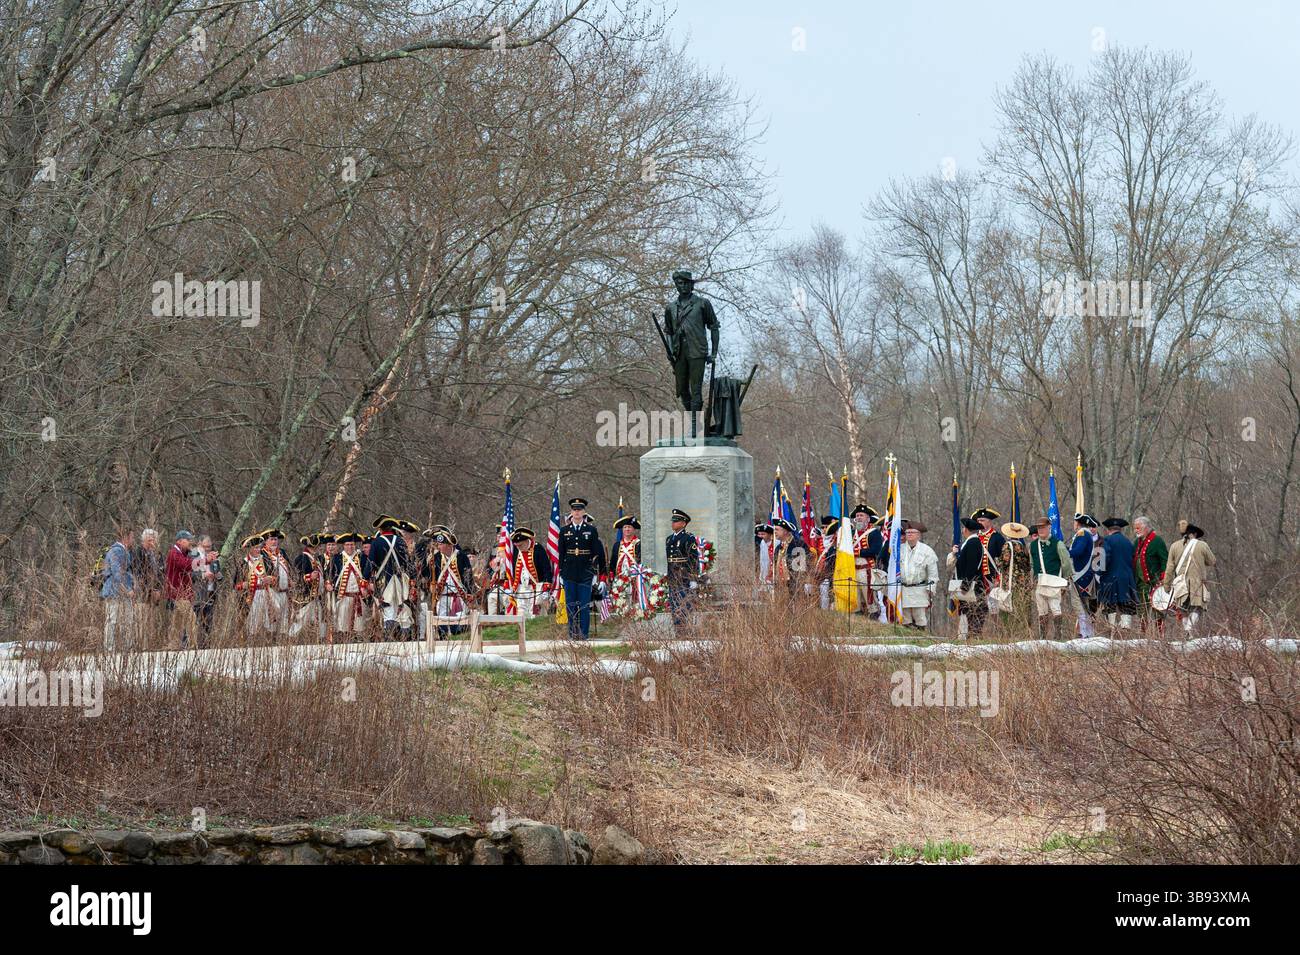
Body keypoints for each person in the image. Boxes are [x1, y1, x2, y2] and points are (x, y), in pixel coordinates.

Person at [662, 269, 719, 438]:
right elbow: (668, 331)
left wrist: (714, 352)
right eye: (680, 283)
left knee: (696, 390)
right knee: (682, 390)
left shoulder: (702, 304)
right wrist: (670, 350)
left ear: (691, 284)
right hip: (680, 353)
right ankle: (696, 422)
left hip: (697, 351)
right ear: (676, 285)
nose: (684, 286)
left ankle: (694, 425)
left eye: (687, 282)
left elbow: (714, 327)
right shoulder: (671, 308)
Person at [557, 497, 607, 640]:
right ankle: (572, 634)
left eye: (579, 510)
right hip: (569, 572)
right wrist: (561, 572)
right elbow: (561, 553)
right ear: (571, 512)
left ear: (584, 512)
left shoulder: (591, 530)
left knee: (584, 605)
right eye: (574, 510)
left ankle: (584, 634)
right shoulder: (564, 531)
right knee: (571, 604)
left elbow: (596, 552)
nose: (577, 512)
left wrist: (596, 574)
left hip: (586, 572)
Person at [1164, 520, 1215, 636]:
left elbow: (1169, 568)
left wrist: (1166, 585)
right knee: (1198, 608)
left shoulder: (1174, 546)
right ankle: (1189, 630)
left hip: (1180, 584)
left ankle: (1188, 633)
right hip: (1197, 583)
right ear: (1195, 534)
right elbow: (1212, 561)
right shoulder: (1202, 545)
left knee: (1183, 609)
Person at [370, 516, 415, 640]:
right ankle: (404, 640)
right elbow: (408, 563)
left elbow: (371, 564)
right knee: (403, 611)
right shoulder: (401, 541)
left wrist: (365, 579)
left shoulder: (377, 542)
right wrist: (413, 579)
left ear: (381, 529)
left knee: (388, 612)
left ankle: (389, 640)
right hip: (400, 582)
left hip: (384, 582)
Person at [1028, 517, 1071, 640]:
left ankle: (1058, 636)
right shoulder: (1033, 545)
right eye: (1039, 528)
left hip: (1054, 583)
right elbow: (1032, 564)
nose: (1041, 530)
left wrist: (1064, 581)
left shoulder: (1058, 544)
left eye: (1043, 527)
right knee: (1041, 611)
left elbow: (1066, 564)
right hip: (1039, 582)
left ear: (1049, 527)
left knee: (1056, 609)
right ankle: (1043, 638)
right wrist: (1033, 580)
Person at [429, 529, 474, 638]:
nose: (438, 547)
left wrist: (470, 592)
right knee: (441, 620)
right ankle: (443, 641)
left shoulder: (461, 556)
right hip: (442, 595)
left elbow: (468, 577)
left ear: (449, 545)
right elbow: (430, 575)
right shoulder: (436, 558)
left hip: (459, 595)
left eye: (441, 544)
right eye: (438, 544)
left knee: (459, 623)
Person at [1098, 518, 1138, 636]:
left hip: (1110, 580)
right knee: (1126, 608)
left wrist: (1099, 574)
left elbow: (1103, 561)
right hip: (1127, 580)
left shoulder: (1105, 541)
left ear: (1108, 530)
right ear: (1120, 529)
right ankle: (1125, 634)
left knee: (1110, 607)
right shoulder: (1128, 542)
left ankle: (1112, 634)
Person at [328, 532, 373, 637]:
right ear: (343, 546)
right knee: (342, 626)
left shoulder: (362, 558)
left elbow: (369, 574)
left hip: (359, 597)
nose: (350, 547)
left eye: (352, 545)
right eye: (347, 545)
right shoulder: (336, 558)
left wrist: (367, 586)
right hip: (343, 596)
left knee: (360, 628)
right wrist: (328, 584)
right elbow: (328, 575)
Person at [248, 529, 292, 637]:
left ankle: (282, 641)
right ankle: (270, 639)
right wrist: (270, 578)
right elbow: (261, 572)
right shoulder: (262, 553)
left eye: (276, 539)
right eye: (271, 539)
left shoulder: (282, 553)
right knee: (273, 616)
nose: (274, 542)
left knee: (284, 618)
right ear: (266, 541)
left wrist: (291, 579)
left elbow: (290, 568)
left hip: (284, 590)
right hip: (271, 590)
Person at [100, 526, 137, 650]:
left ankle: (127, 647)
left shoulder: (125, 551)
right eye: (131, 537)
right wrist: (127, 589)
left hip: (123, 591)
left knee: (128, 620)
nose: (133, 540)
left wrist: (132, 584)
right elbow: (117, 572)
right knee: (112, 620)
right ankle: (109, 648)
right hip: (114, 590)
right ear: (125, 537)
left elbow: (126, 572)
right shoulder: (116, 551)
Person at [897, 521, 939, 630]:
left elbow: (933, 574)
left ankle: (921, 640)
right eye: (907, 532)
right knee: (905, 617)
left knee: (919, 617)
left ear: (919, 535)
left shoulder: (927, 551)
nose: (909, 534)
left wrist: (931, 589)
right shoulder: (899, 549)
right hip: (903, 589)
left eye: (912, 532)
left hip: (919, 589)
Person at [949, 517, 985, 639]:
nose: (963, 530)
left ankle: (973, 639)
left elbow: (971, 566)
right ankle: (968, 638)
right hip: (969, 586)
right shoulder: (970, 542)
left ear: (967, 530)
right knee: (967, 615)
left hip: (971, 587)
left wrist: (965, 585)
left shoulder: (973, 543)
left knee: (973, 616)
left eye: (964, 528)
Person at [1132, 515, 1169, 634]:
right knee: (1142, 610)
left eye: (1138, 528)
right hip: (1140, 583)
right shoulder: (1136, 542)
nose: (1136, 531)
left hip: (1154, 582)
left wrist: (1163, 578)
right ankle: (1143, 634)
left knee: (1157, 610)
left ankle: (1160, 635)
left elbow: (1165, 560)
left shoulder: (1157, 541)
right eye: (1135, 528)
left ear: (1146, 527)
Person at [665, 509, 701, 627]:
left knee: (684, 604)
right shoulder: (669, 539)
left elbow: (693, 559)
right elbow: (669, 561)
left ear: (683, 524)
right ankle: (678, 629)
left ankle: (685, 629)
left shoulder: (688, 538)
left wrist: (693, 578)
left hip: (684, 577)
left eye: (676, 521)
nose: (673, 523)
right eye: (673, 521)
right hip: (673, 578)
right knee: (674, 604)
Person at [163, 529, 198, 649]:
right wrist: (204, 560)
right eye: (188, 540)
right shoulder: (174, 553)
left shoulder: (181, 553)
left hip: (180, 593)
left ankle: (173, 645)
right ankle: (193, 645)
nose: (190, 542)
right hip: (178, 593)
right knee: (191, 617)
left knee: (177, 621)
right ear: (179, 541)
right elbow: (186, 565)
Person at [970, 508, 1006, 619]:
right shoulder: (974, 538)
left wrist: (999, 578)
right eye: (979, 520)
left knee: (994, 607)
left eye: (983, 520)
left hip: (992, 579)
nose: (980, 523)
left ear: (990, 521)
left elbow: (1004, 560)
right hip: (977, 579)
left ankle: (998, 633)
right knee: (977, 607)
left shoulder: (997, 538)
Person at [1068, 514, 1100, 637]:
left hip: (1079, 575)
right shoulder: (1086, 534)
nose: (1074, 524)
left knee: (1078, 604)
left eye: (1075, 522)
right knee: (1084, 604)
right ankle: (1088, 632)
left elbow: (1078, 551)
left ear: (1078, 523)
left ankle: (1084, 633)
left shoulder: (1082, 534)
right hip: (1084, 575)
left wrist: (1064, 551)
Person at [289, 534, 325, 641]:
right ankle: (290, 642)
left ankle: (314, 642)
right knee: (300, 621)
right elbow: (297, 577)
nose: (315, 549)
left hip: (316, 597)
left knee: (316, 622)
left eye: (316, 547)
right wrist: (309, 577)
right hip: (305, 597)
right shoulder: (301, 558)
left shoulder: (317, 559)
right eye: (313, 547)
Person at [510, 528, 552, 617]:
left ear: (526, 541)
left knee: (535, 615)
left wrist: (546, 589)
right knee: (521, 614)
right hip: (521, 587)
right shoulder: (516, 550)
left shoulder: (538, 549)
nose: (518, 548)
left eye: (520, 545)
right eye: (517, 545)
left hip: (535, 588)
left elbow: (546, 569)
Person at [850, 504, 883, 615]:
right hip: (853, 570)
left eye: (862, 515)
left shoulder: (874, 533)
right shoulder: (851, 533)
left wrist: (858, 552)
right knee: (856, 598)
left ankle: (873, 615)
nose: (859, 517)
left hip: (867, 570)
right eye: (857, 515)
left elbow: (876, 550)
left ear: (868, 519)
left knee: (870, 597)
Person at [191, 534, 221, 646]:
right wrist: (204, 574)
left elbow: (219, 574)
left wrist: (217, 574)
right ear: (199, 544)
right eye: (206, 547)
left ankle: (206, 645)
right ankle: (191, 645)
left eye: (210, 546)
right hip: (198, 592)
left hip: (211, 591)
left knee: (208, 621)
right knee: (195, 620)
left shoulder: (212, 555)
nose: (208, 549)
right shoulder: (194, 553)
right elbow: (192, 573)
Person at [771, 517, 809, 599]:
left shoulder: (798, 544)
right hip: (780, 586)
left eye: (777, 530)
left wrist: (799, 583)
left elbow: (803, 567)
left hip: (795, 586)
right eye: (774, 530)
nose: (775, 532)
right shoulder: (778, 547)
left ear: (785, 531)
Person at [813, 517, 840, 609]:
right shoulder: (822, 541)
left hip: (831, 575)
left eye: (826, 527)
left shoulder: (835, 542)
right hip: (822, 575)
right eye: (823, 527)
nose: (824, 529)